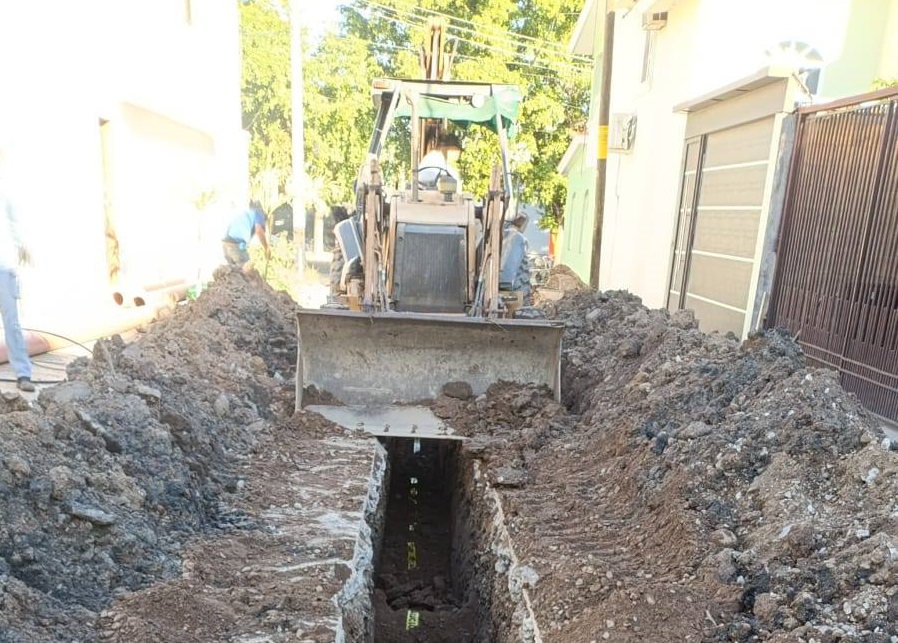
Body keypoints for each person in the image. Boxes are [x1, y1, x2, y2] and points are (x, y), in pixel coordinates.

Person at [0, 171, 35, 392]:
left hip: (4, 267)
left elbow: (14, 220)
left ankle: (23, 374)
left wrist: (22, 243)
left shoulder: (5, 190)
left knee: (12, 323)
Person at [222, 201, 269, 271]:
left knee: (235, 274)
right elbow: (259, 230)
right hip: (235, 245)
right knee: (248, 271)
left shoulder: (246, 215)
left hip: (225, 246)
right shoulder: (259, 214)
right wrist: (266, 248)